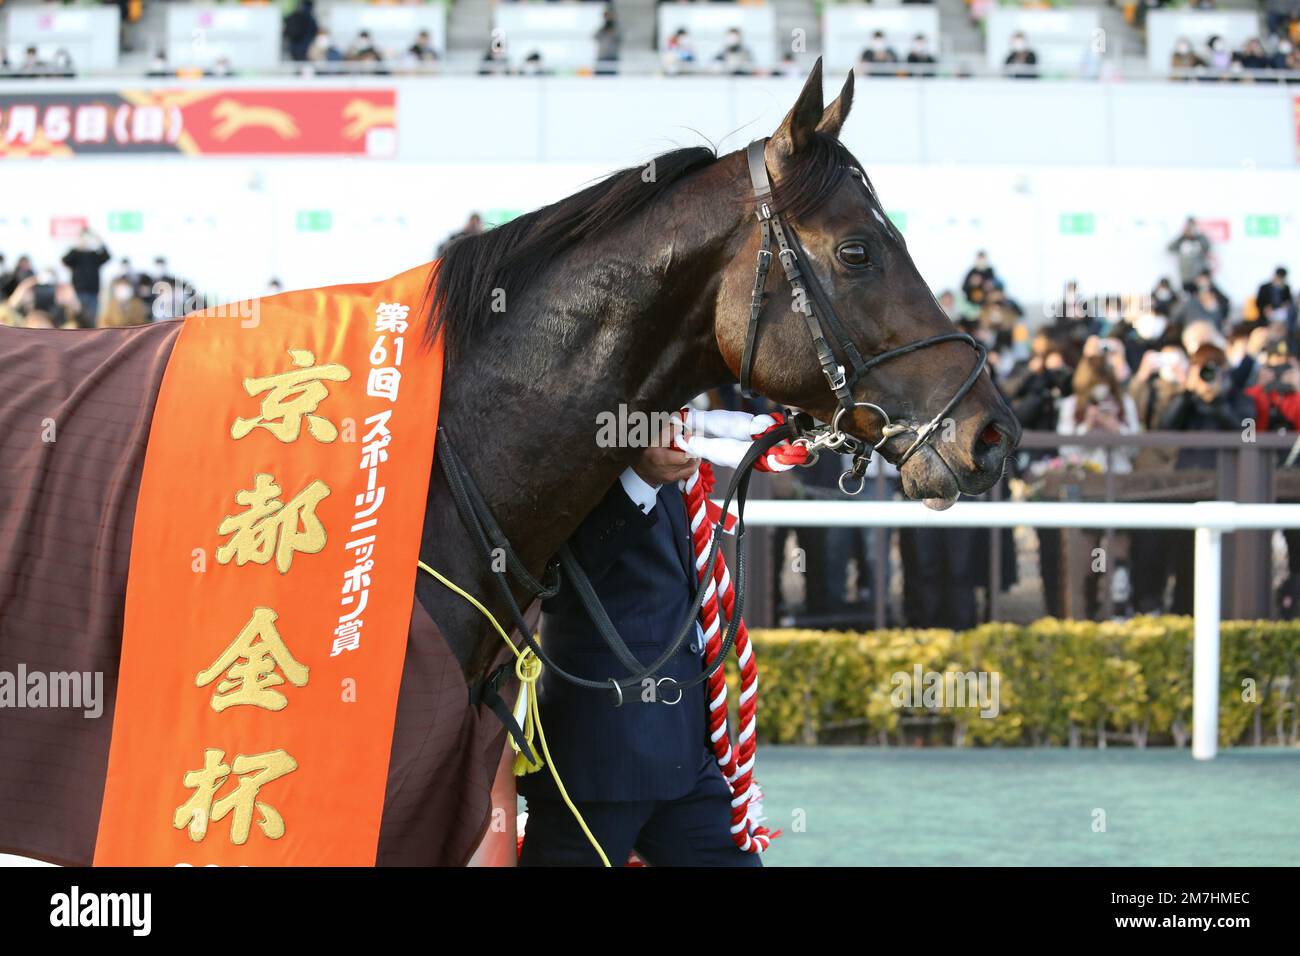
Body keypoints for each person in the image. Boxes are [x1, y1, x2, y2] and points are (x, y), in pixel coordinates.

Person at [518, 419, 762, 867]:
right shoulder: (569, 434)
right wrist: (641, 480)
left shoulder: (673, 434)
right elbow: (554, 584)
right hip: (597, 764)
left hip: (686, 760)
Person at [1159, 344, 1255, 612]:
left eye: (1214, 370)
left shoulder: (1239, 400)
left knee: (1229, 562)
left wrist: (1219, 401)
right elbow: (1165, 427)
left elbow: (1247, 432)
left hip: (1227, 489)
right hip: (1186, 489)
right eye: (1203, 370)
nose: (1208, 377)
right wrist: (1189, 395)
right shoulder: (1187, 402)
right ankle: (1182, 616)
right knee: (1184, 562)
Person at [60, 229, 110, 328]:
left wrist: (99, 240)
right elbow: (64, 260)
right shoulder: (75, 254)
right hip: (77, 293)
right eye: (83, 238)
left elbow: (107, 256)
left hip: (93, 293)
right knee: (76, 319)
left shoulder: (94, 255)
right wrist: (77, 246)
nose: (86, 241)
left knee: (91, 320)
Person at [1167, 217, 1212, 293]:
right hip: (1186, 277)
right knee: (1189, 299)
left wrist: (1196, 237)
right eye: (1188, 226)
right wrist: (1182, 236)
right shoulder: (1181, 240)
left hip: (1199, 277)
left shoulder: (1201, 238)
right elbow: (1170, 248)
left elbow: (1207, 247)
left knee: (1202, 297)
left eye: (1192, 226)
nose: (1190, 229)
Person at [1255, 267, 1296, 339]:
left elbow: (1289, 301)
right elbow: (1259, 302)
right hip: (1266, 315)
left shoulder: (1286, 288)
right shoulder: (1264, 287)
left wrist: (1286, 305)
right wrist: (1265, 308)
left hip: (1282, 314)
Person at [594, 8, 621, 76]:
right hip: (602, 56)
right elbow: (596, 36)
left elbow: (619, 37)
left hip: (611, 56)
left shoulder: (616, 28)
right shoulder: (602, 28)